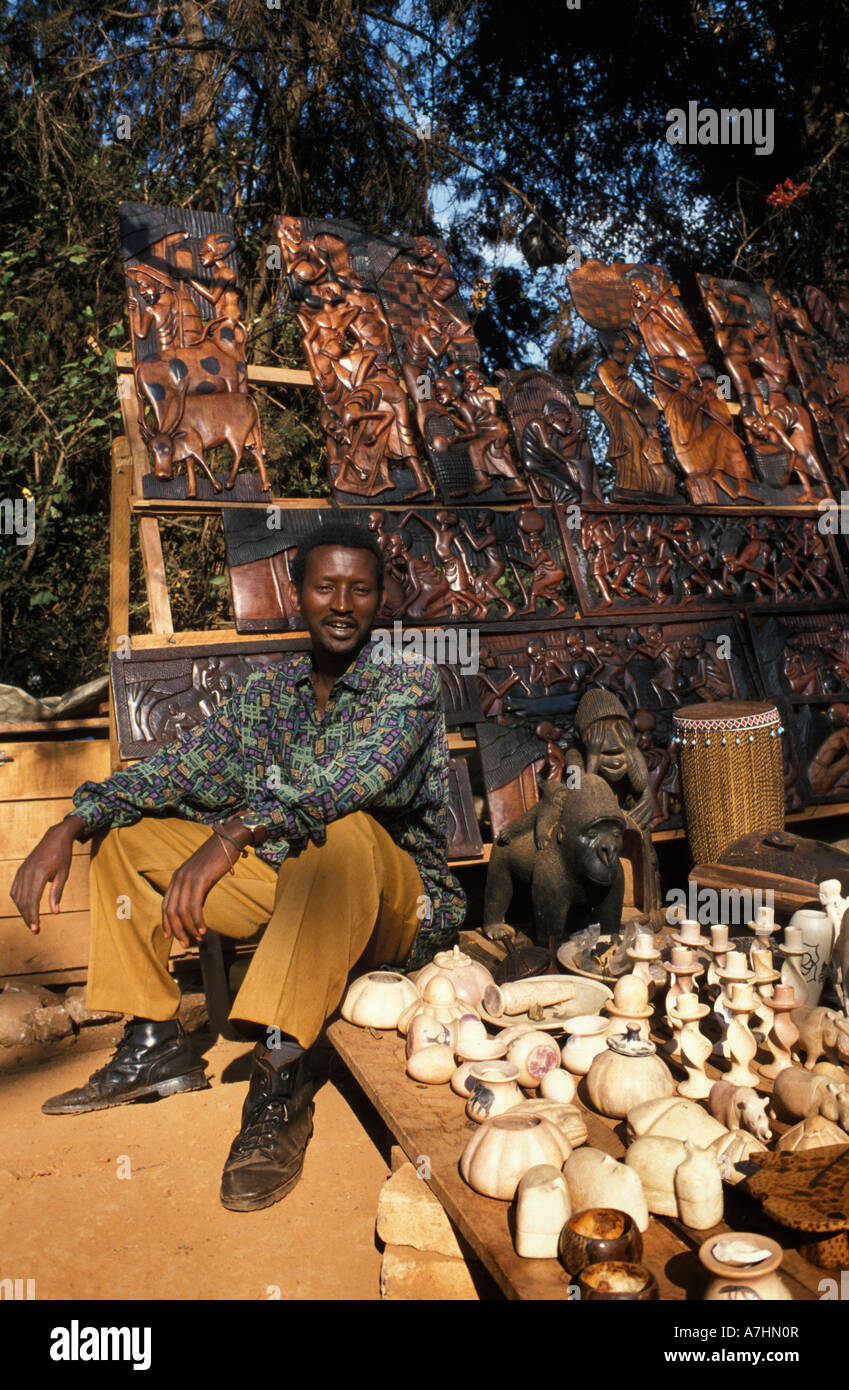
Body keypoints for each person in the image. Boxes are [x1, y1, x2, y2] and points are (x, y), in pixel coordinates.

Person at [11, 521, 465, 1212]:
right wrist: (72, 820)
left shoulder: (406, 683)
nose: (341, 604)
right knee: (128, 839)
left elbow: (352, 780)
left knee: (338, 829)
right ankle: (155, 1044)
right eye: (325, 587)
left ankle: (278, 1083)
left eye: (360, 590)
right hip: (296, 888)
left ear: (381, 601)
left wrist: (231, 832)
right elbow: (175, 771)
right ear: (297, 592)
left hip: (388, 902)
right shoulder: (268, 696)